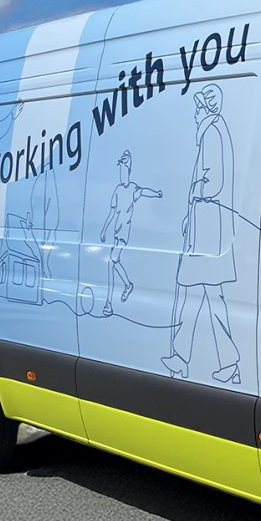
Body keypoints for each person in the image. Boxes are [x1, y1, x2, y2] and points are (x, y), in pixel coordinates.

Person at [162, 85, 239, 383]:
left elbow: (214, 181)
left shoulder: (212, 132)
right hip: (206, 230)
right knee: (200, 296)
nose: (194, 114)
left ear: (207, 108)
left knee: (203, 295)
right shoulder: (214, 131)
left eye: (197, 108)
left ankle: (218, 361)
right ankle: (183, 358)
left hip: (208, 234)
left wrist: (195, 193)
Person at [100, 150, 161, 317]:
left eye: (124, 168)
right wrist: (104, 230)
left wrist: (156, 194)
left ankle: (108, 303)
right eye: (119, 169)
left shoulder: (132, 188)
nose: (121, 173)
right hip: (115, 230)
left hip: (124, 231)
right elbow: (111, 213)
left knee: (111, 260)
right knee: (114, 262)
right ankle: (127, 285)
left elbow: (144, 191)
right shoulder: (118, 189)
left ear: (128, 169)